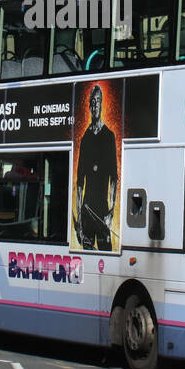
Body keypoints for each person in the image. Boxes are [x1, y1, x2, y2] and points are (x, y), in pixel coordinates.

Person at [73, 84, 118, 251]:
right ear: (89, 106)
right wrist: (78, 219)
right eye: (92, 101)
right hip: (86, 211)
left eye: (98, 101)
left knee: (107, 253)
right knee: (87, 259)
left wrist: (112, 211)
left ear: (102, 104)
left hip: (102, 209)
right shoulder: (85, 139)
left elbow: (114, 178)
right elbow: (79, 183)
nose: (95, 105)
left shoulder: (109, 136)